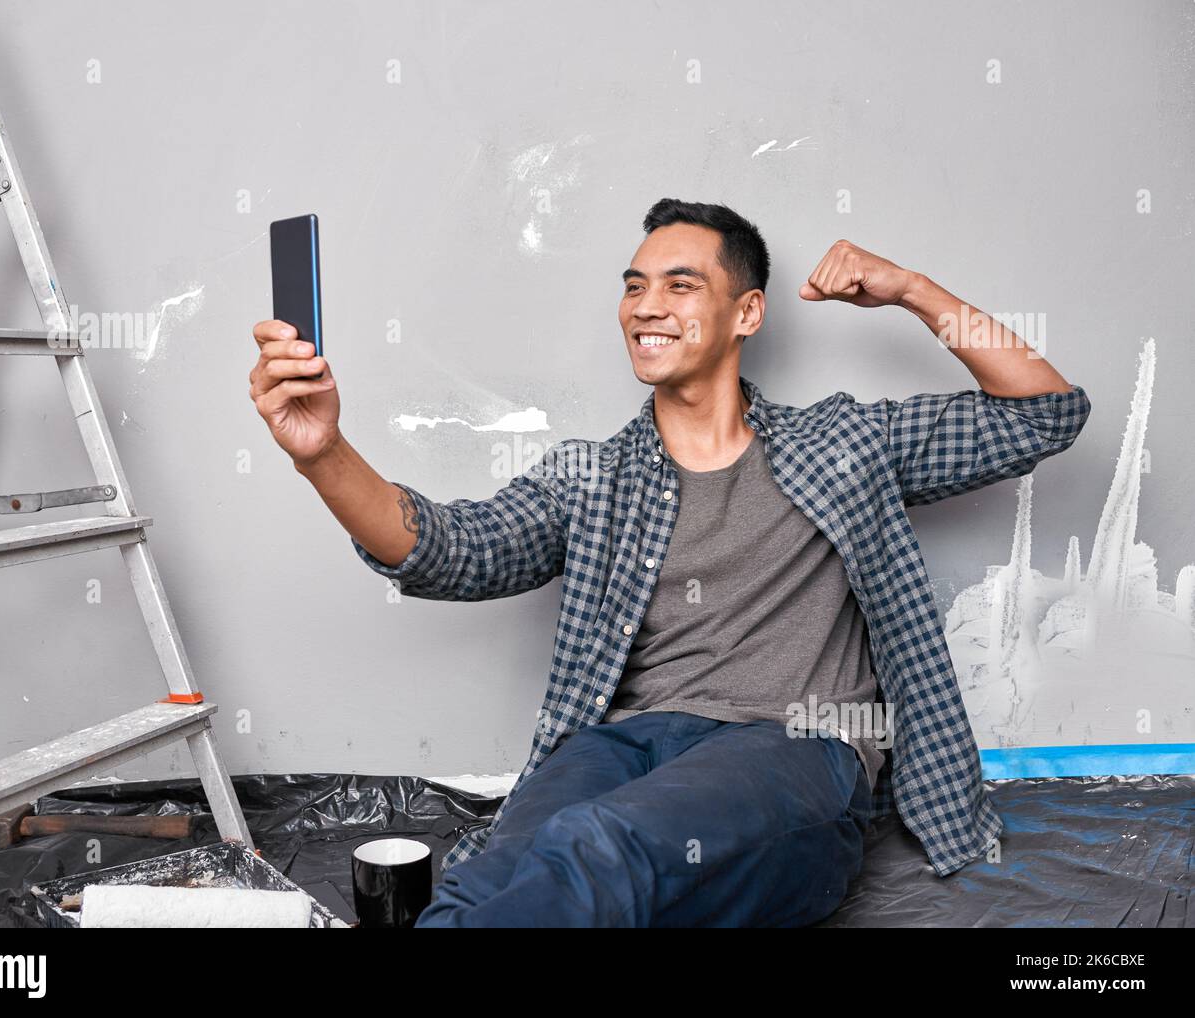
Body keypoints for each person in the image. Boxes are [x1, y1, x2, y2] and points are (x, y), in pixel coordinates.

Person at [248, 198, 1091, 927]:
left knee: (596, 847)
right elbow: (449, 551)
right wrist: (321, 454)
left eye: (680, 284)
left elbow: (1046, 414)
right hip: (625, 747)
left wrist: (911, 289)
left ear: (747, 313)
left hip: (789, 748)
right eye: (633, 285)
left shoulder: (845, 444)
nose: (645, 305)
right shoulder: (593, 475)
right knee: (492, 875)